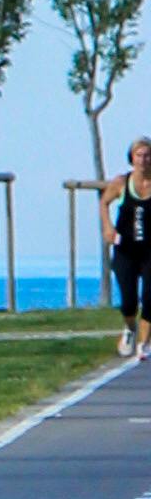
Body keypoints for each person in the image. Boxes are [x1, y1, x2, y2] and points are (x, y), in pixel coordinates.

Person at [112, 141, 151, 365]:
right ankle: (130, 327)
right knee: (129, 301)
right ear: (132, 158)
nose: (143, 160)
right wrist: (108, 227)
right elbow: (104, 202)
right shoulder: (121, 183)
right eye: (139, 155)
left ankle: (143, 344)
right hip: (126, 250)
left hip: (150, 251)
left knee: (150, 298)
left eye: (147, 156)